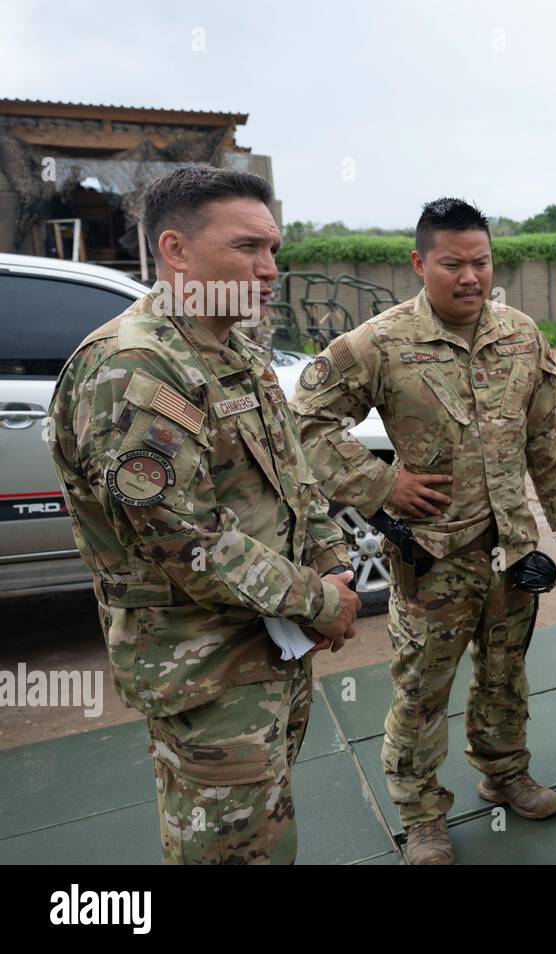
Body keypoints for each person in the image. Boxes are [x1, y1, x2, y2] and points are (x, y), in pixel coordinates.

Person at [47, 165, 360, 864]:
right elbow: (183, 541)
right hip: (205, 666)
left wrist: (332, 565)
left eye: (273, 249)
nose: (268, 268)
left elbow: (291, 479)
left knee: (266, 828)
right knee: (232, 851)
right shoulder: (137, 368)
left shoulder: (234, 349)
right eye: (247, 247)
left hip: (270, 645)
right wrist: (318, 600)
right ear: (176, 250)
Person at [291, 198, 556, 865]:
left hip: (510, 550)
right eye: (452, 263)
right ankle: (421, 811)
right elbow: (305, 420)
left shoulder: (521, 334)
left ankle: (504, 772)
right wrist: (380, 485)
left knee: (505, 675)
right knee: (423, 691)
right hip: (431, 555)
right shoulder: (380, 342)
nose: (470, 276)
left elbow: (544, 436)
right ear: (420, 263)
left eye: (480, 262)